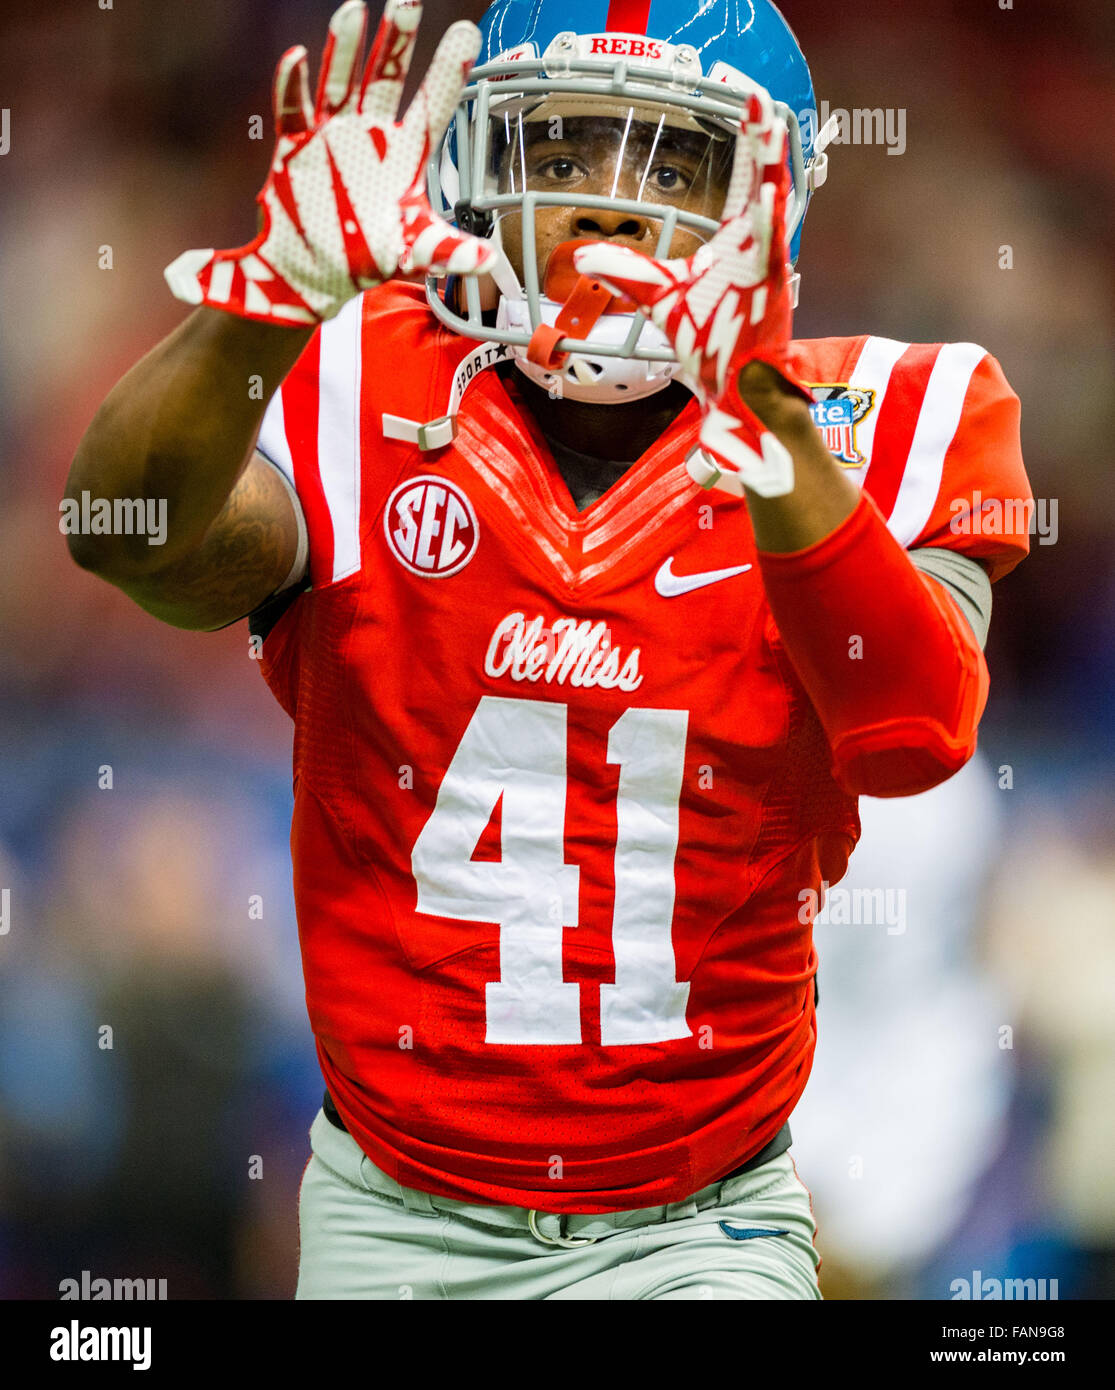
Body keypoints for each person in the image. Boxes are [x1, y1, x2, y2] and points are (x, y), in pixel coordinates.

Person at [65, 0, 1032, 1299]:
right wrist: (269, 298)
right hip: (395, 1209)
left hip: (704, 1219)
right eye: (568, 150)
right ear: (477, 170)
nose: (612, 213)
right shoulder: (366, 379)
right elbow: (126, 539)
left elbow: (913, 735)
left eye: (671, 165)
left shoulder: (888, 418)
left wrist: (782, 450)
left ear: (770, 198)